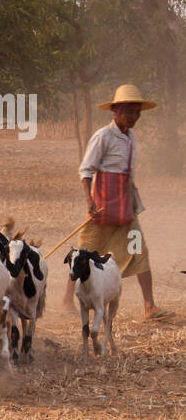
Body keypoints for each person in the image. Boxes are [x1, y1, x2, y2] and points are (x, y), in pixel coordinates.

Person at [62, 83, 171, 320]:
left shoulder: (130, 137)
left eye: (137, 113)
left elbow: (128, 175)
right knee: (85, 252)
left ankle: (149, 305)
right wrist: (90, 202)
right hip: (103, 209)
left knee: (140, 251)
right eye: (129, 112)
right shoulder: (103, 136)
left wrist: (132, 202)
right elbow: (86, 171)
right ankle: (66, 299)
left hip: (124, 210)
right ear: (116, 111)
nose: (134, 117)